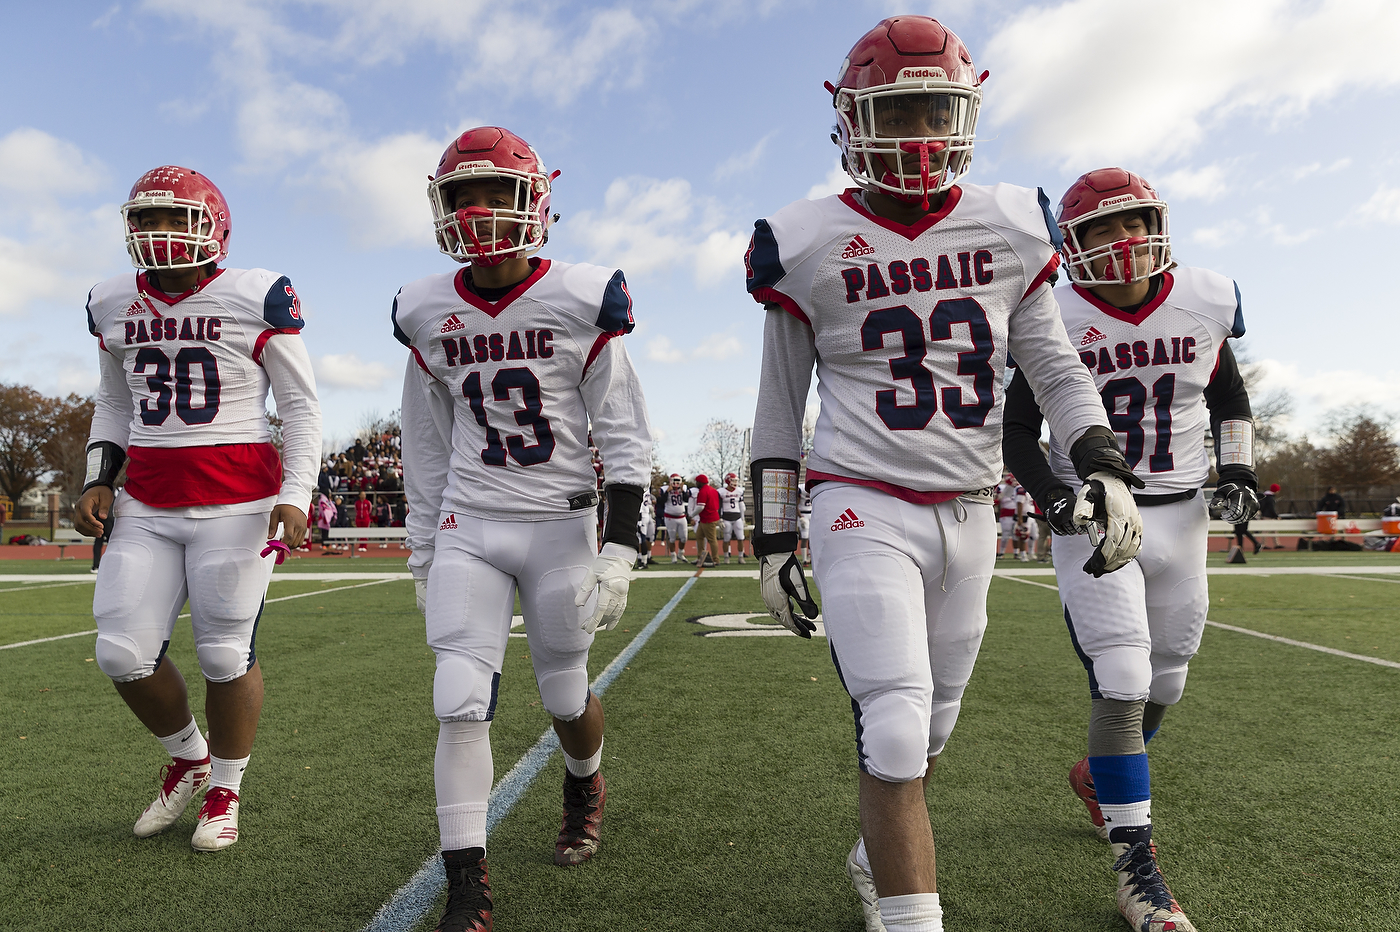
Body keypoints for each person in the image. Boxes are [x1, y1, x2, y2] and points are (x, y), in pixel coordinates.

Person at [746, 19, 1142, 932]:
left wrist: (1103, 465)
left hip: (969, 508)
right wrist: (772, 536)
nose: (920, 134)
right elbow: (777, 404)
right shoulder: (804, 239)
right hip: (860, 498)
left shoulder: (1010, 223)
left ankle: (876, 854)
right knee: (892, 722)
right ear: (852, 120)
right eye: (898, 112)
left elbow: (1055, 369)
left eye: (936, 110)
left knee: (932, 728)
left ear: (966, 112)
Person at [396, 126, 652, 932]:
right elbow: (424, 444)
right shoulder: (425, 309)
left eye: (495, 194)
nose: (478, 212)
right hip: (470, 520)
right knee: (458, 696)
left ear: (535, 201)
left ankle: (584, 780)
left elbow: (625, 435)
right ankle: (466, 885)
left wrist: (620, 548)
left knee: (565, 693)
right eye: (462, 196)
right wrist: (424, 550)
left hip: (559, 523)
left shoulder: (581, 295)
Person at [1003, 167, 1259, 932]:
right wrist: (1052, 497)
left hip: (1182, 513)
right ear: (1072, 244)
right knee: (1121, 679)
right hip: (1095, 516)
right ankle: (1136, 869)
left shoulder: (1205, 298)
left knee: (1167, 681)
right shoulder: (1051, 312)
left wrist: (1238, 468)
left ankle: (1100, 772)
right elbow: (1017, 429)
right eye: (1102, 228)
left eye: (1134, 221)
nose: (1123, 239)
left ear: (1159, 224)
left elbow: (1228, 395)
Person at [73, 165, 321, 852]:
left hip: (238, 502)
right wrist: (99, 477)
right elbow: (115, 400)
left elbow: (300, 406)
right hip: (147, 500)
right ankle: (190, 758)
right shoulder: (111, 300)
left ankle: (226, 786)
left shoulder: (256, 293)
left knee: (224, 653)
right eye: (145, 219)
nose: (158, 232)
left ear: (214, 226)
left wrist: (296, 493)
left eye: (173, 218)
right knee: (121, 653)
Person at [692, 473, 722, 567]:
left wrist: (692, 515)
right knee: (699, 536)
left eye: (697, 482)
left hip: (708, 518)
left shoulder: (703, 491)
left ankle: (715, 559)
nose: (696, 483)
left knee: (711, 539)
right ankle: (701, 557)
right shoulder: (713, 490)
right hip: (708, 517)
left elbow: (701, 506)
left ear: (700, 482)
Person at [720, 472, 748, 563]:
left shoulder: (739, 491)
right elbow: (719, 506)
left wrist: (743, 519)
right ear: (728, 480)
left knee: (741, 538)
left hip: (737, 517)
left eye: (736, 480)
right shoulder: (721, 492)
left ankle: (740, 557)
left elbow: (741, 506)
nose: (735, 482)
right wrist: (720, 518)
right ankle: (726, 557)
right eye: (733, 480)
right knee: (726, 538)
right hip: (726, 517)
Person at [662, 473, 690, 563]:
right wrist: (667, 492)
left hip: (681, 516)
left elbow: (687, 499)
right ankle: (673, 556)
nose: (676, 483)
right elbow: (661, 501)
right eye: (675, 481)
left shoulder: (684, 488)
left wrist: (683, 491)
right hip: (670, 516)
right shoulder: (664, 489)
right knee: (672, 538)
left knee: (684, 537)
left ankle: (680, 554)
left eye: (678, 481)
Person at [996, 474, 1020, 557]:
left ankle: (1016, 553)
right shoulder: (1002, 488)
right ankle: (1001, 552)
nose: (1015, 482)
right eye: (1013, 480)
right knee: (1005, 535)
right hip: (1005, 514)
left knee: (1016, 535)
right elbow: (997, 501)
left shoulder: (1019, 488)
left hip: (1017, 515)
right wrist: (1001, 495)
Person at [1259, 482, 1282, 549]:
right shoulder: (1270, 498)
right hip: (1268, 516)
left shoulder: (1265, 497)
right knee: (1267, 531)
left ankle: (1275, 544)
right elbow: (1271, 508)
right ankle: (1264, 544)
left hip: (1266, 515)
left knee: (1272, 530)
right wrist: (1276, 516)